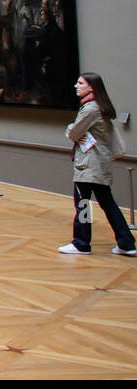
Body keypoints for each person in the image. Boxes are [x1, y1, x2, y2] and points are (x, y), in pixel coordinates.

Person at [59, 73, 135, 256]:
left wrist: (69, 128)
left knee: (83, 204)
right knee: (108, 204)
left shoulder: (91, 109)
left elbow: (74, 132)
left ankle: (81, 243)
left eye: (80, 83)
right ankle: (126, 242)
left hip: (88, 166)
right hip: (99, 165)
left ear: (91, 87)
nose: (76, 85)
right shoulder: (101, 107)